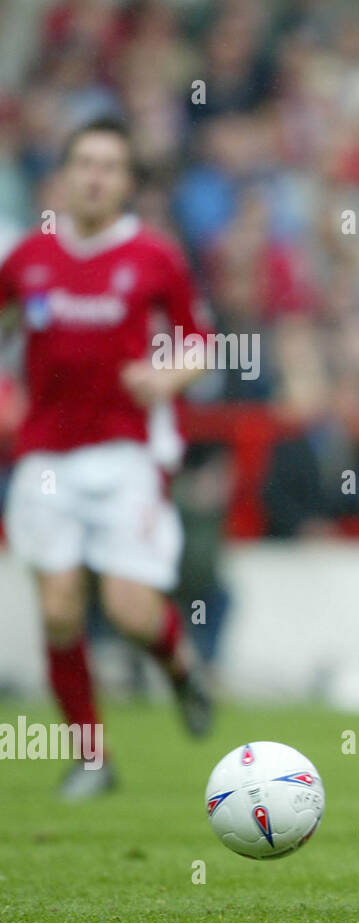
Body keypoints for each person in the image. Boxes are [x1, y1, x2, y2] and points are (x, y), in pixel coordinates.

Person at [0, 116, 213, 799]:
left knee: (128, 610)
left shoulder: (154, 257)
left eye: (109, 165)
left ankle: (179, 664)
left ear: (125, 181)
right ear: (63, 175)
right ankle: (92, 757)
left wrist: (166, 377)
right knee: (60, 609)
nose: (94, 176)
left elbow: (199, 345)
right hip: (44, 454)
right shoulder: (27, 259)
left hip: (127, 452)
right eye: (83, 162)